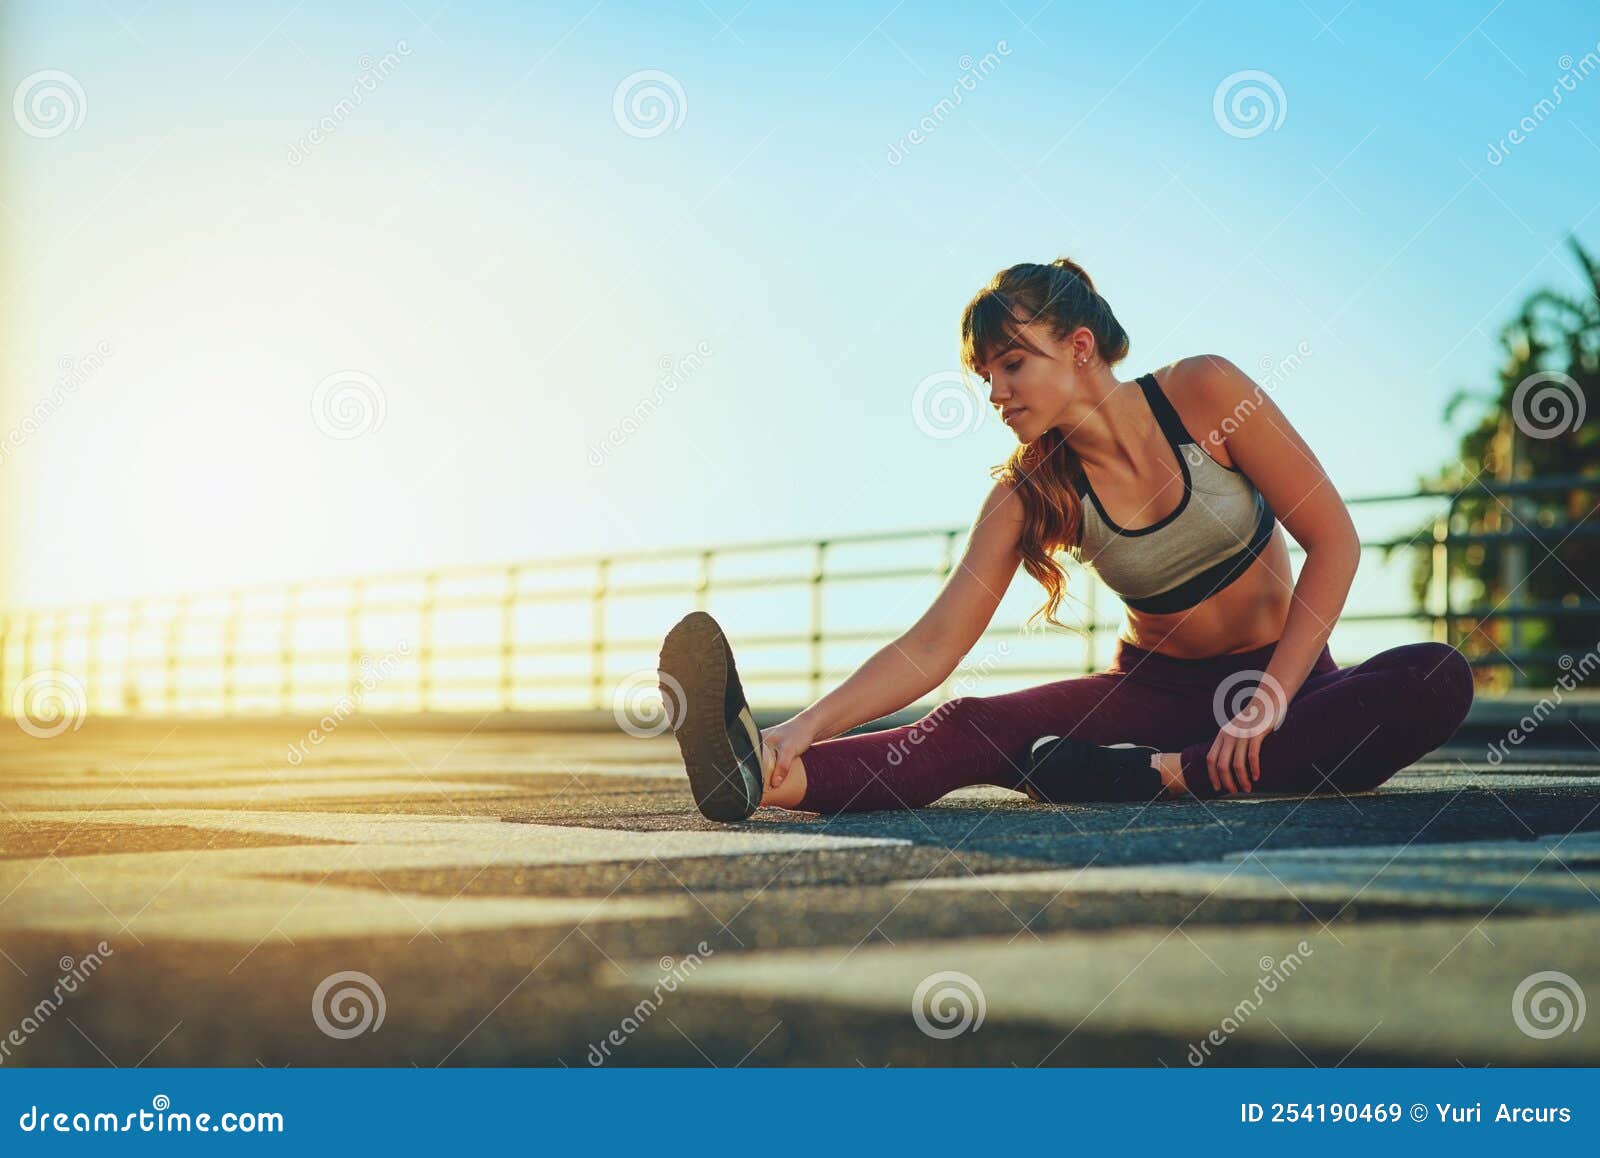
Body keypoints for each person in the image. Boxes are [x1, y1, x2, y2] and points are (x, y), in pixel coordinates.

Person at [657, 258, 1475, 822]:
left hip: (1287, 685)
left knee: (1433, 678)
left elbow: (1334, 542)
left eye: (1012, 364)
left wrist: (1267, 704)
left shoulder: (1205, 393)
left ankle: (1162, 777)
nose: (995, 392)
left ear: (1080, 348)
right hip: (1153, 694)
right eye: (985, 376)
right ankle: (762, 778)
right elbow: (934, 645)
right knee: (968, 723)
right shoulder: (1028, 491)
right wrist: (800, 728)